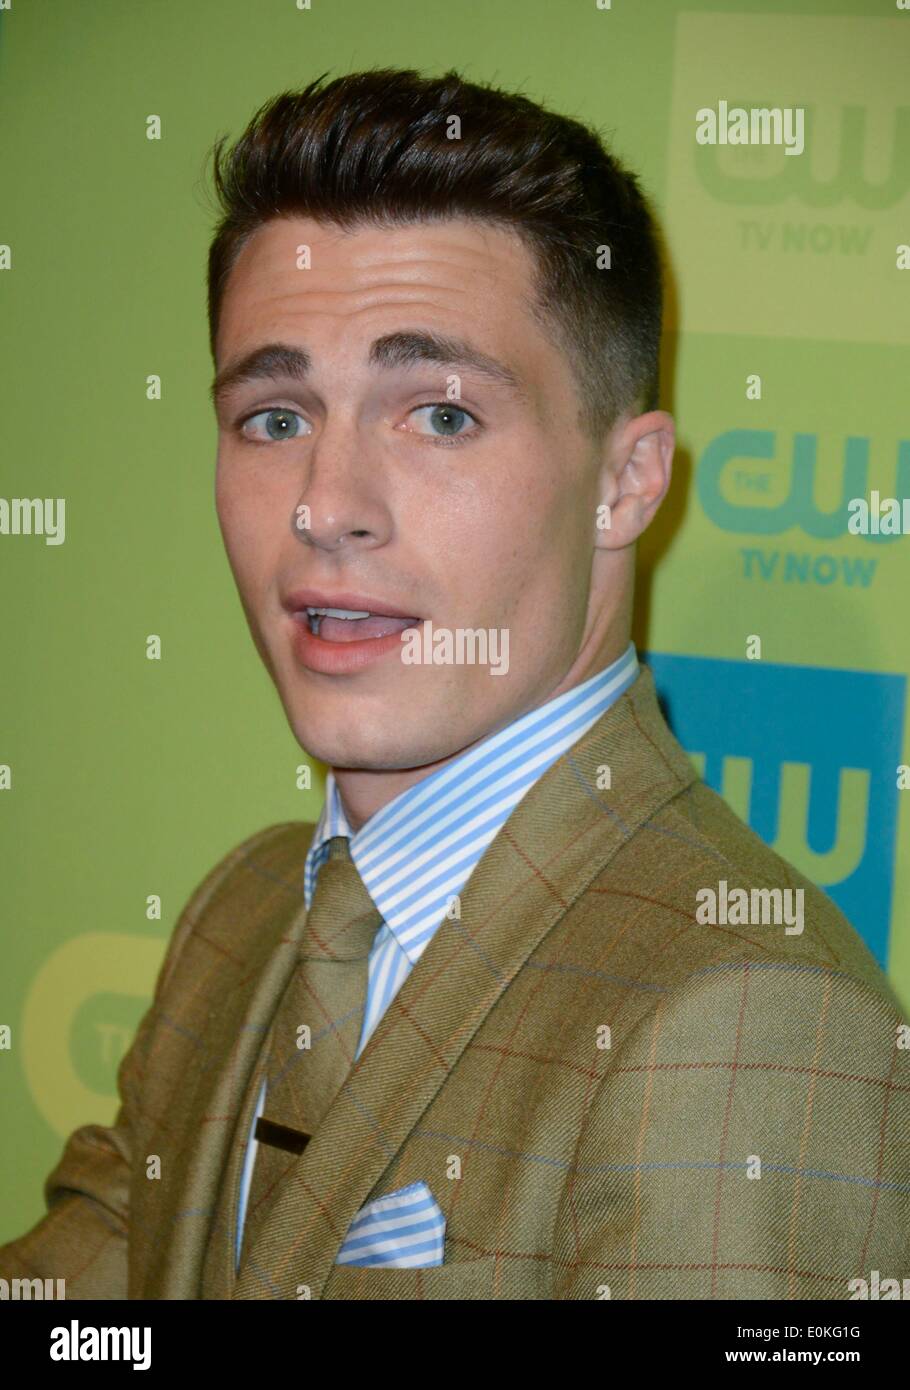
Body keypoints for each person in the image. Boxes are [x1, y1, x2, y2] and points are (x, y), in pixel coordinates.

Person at [2, 67, 908, 1301]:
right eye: (274, 417)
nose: (325, 506)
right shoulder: (247, 908)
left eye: (435, 414)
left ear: (624, 483)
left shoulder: (748, 1021)